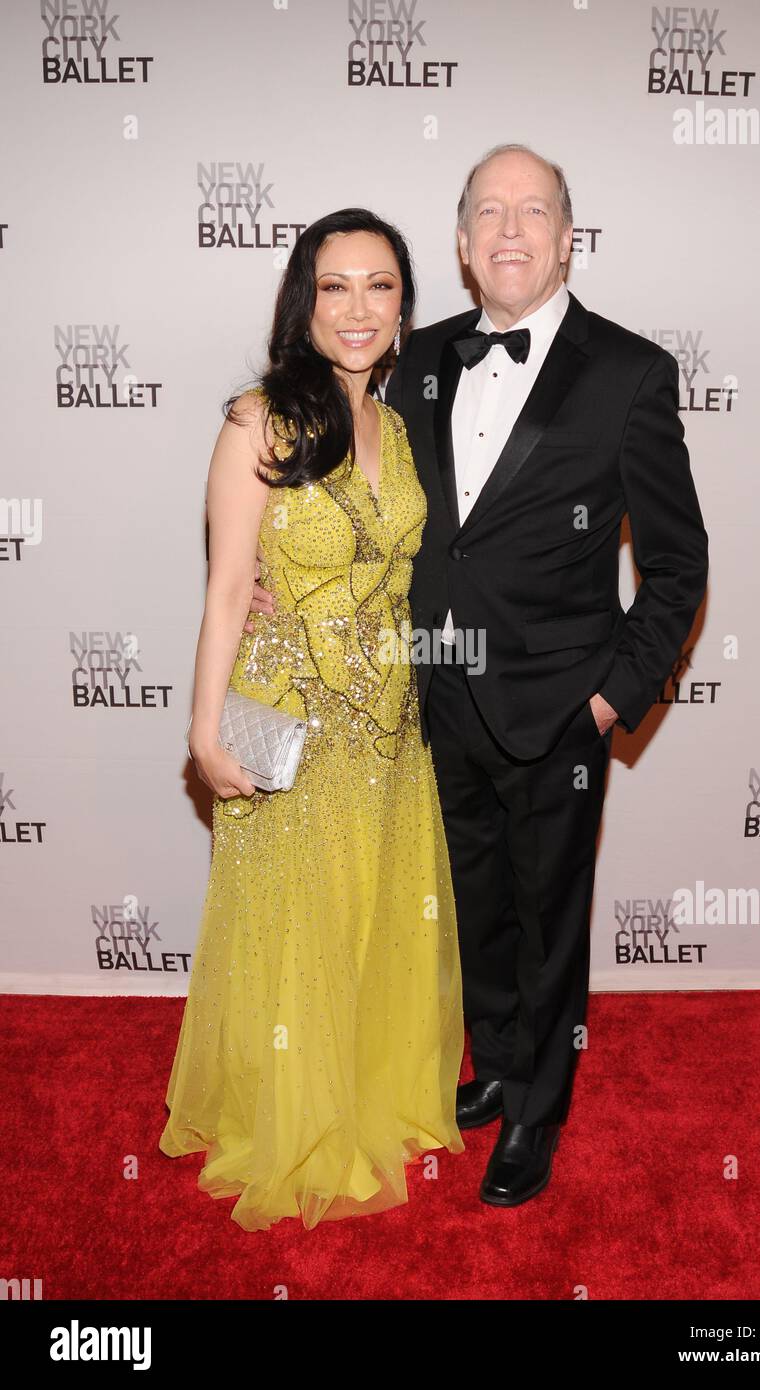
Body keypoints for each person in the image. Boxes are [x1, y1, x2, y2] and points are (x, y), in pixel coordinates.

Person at [250, 144, 709, 1208]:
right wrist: (268, 575)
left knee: (549, 918)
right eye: (487, 213)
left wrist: (610, 695)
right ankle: (494, 1061)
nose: (509, 230)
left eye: (532, 211)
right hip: (428, 697)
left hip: (559, 711)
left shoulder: (629, 372)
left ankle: (536, 1111)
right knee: (469, 908)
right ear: (460, 245)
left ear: (564, 236)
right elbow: (346, 483)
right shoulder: (418, 357)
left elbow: (678, 566)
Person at [159, 208, 465, 1232]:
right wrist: (205, 731)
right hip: (291, 711)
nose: (357, 308)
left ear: (402, 307)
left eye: (379, 286)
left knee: (374, 913)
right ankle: (294, 1118)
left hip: (387, 715)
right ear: (304, 301)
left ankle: (366, 1093)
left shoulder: (399, 425)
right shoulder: (258, 421)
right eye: (335, 286)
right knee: (296, 921)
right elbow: (226, 585)